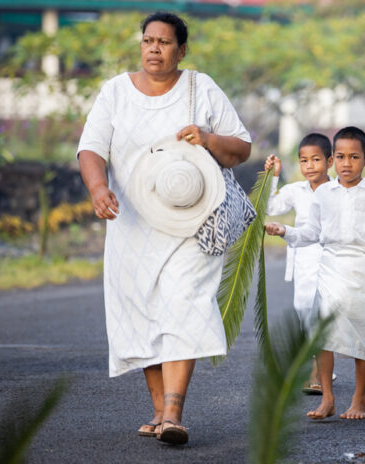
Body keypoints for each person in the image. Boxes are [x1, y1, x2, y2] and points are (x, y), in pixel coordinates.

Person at [77, 12, 251, 445]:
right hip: (131, 225)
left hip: (192, 222)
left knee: (182, 306)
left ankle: (173, 414)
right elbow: (91, 148)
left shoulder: (200, 88)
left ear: (181, 50)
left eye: (164, 42)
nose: (154, 48)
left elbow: (241, 146)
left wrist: (207, 138)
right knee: (142, 313)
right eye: (148, 40)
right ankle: (159, 412)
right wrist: (98, 188)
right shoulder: (116, 92)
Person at [265, 126, 365, 420]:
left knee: (361, 334)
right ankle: (327, 398)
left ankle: (360, 398)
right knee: (323, 333)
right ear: (333, 160)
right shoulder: (323, 194)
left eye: (354, 157)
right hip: (329, 269)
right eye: (340, 156)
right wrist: (285, 230)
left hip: (360, 271)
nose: (346, 163)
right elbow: (311, 232)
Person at [264, 133, 333, 395]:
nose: (309, 166)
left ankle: (318, 371)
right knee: (304, 310)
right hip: (304, 257)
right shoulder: (295, 190)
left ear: (329, 161)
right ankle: (319, 366)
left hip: (332, 259)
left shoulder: (338, 191)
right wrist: (273, 176)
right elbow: (271, 206)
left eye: (316, 159)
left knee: (323, 313)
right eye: (304, 160)